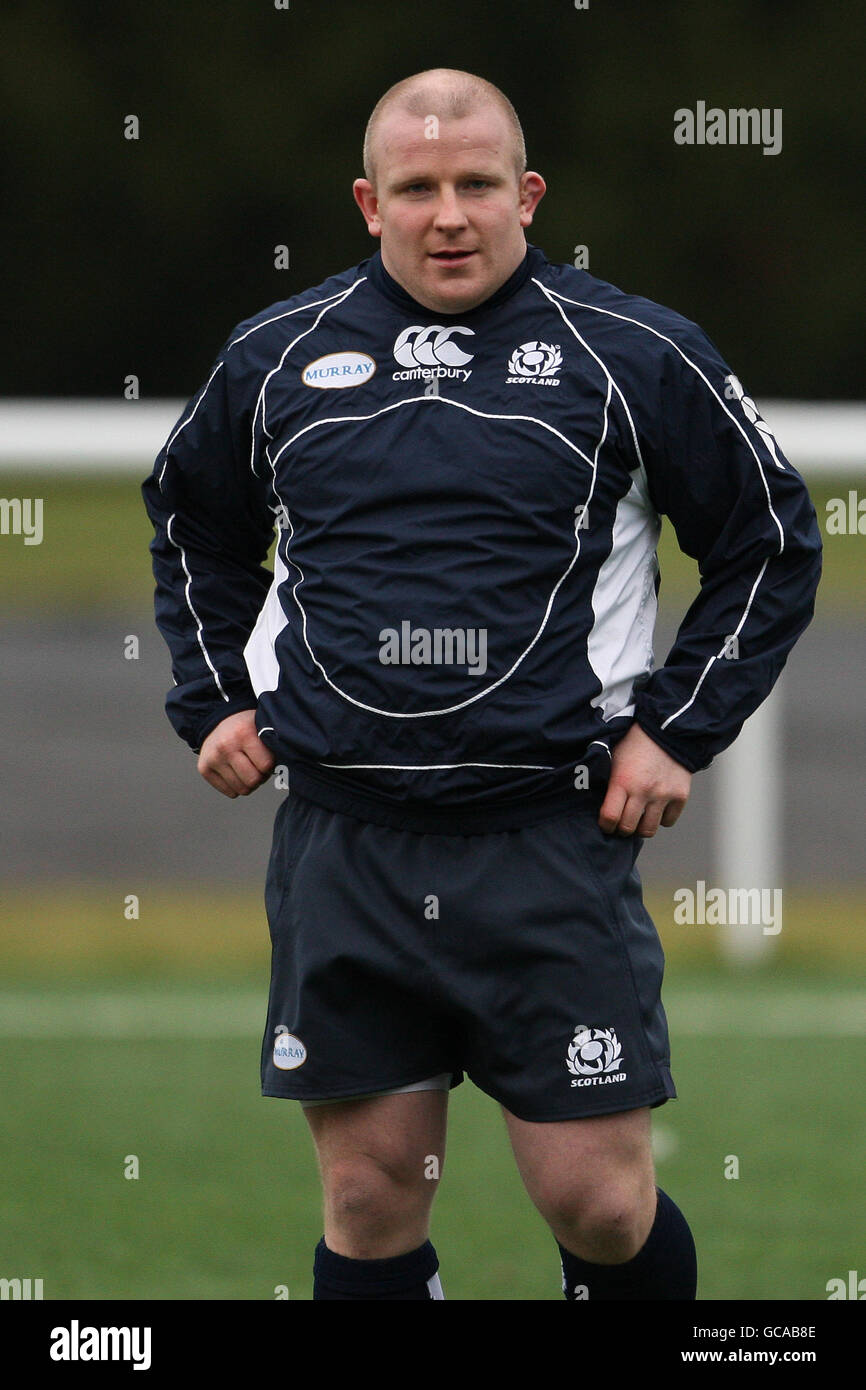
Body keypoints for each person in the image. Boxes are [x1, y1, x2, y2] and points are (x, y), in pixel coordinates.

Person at [142, 68, 822, 1301]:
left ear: (527, 194)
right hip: (348, 838)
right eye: (417, 188)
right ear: (369, 203)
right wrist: (215, 698)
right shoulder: (276, 355)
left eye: (475, 184)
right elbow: (193, 525)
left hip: (547, 839)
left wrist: (675, 730)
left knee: (599, 1203)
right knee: (369, 1196)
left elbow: (768, 541)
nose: (448, 214)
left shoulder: (633, 351)